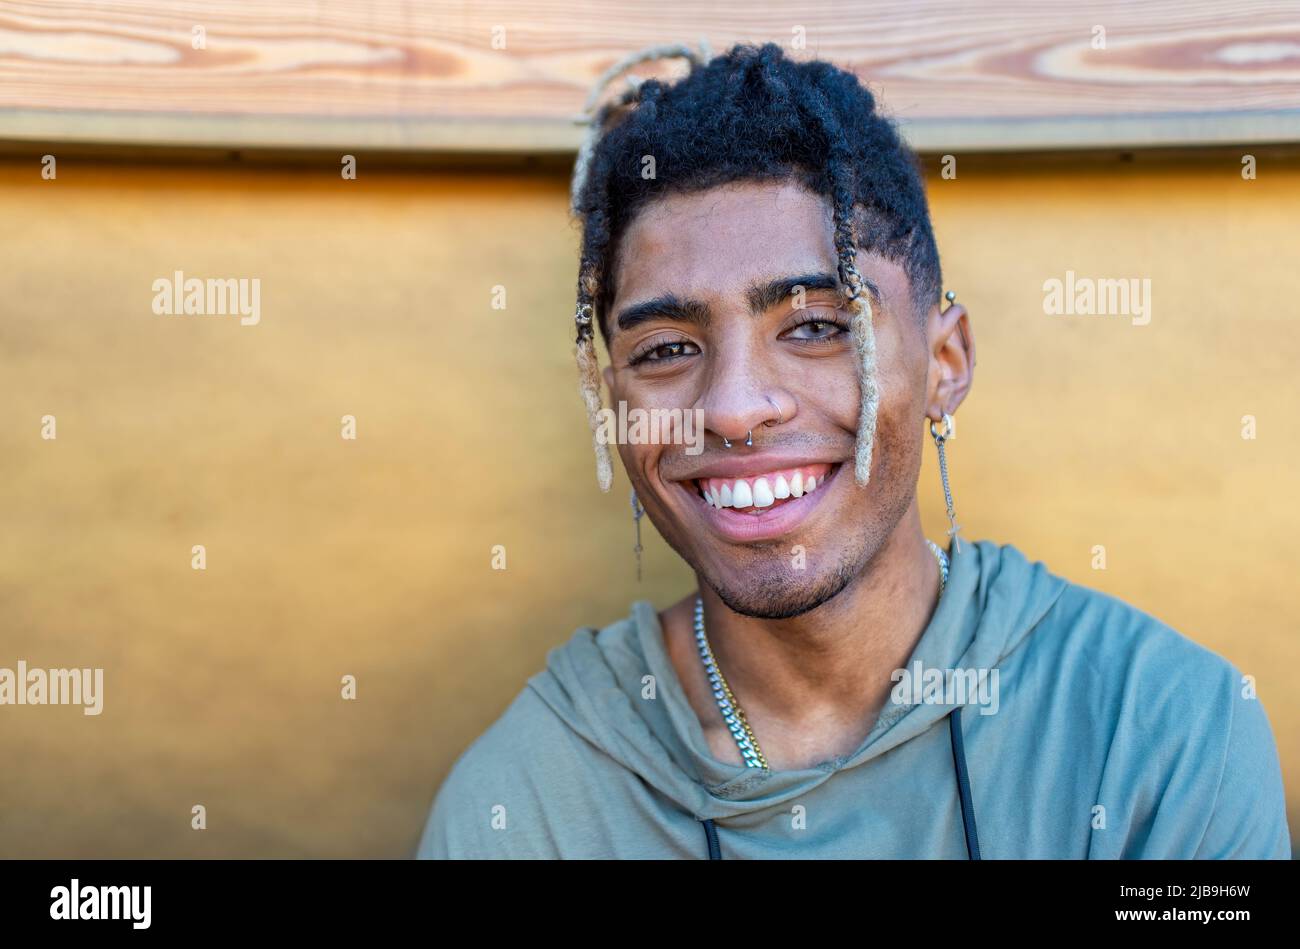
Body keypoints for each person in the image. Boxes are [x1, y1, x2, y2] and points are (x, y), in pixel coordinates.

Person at [416, 42, 1290, 859]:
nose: (731, 409)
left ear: (945, 363)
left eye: (816, 327)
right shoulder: (529, 804)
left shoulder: (1162, 735)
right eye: (666, 350)